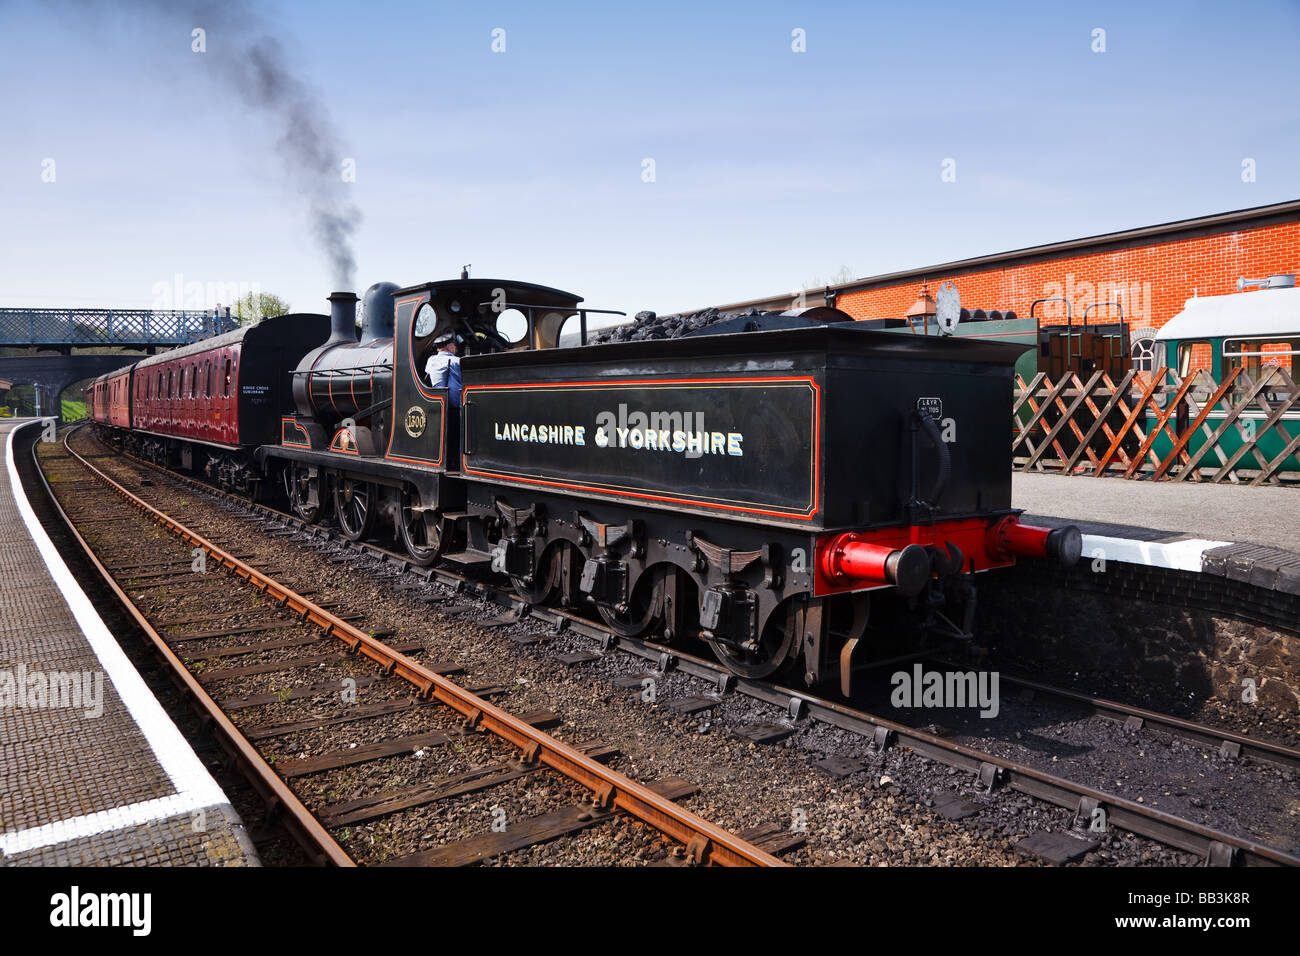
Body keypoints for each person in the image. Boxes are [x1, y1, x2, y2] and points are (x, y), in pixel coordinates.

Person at [424, 333, 462, 407]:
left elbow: (427, 372)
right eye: (454, 345)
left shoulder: (431, 360)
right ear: (449, 346)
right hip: (456, 404)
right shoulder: (457, 361)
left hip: (438, 402)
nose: (455, 347)